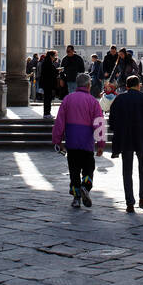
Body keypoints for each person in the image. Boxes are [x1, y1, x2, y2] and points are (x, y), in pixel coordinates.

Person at [52, 74, 105, 208]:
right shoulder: (93, 101)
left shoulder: (68, 99)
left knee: (74, 170)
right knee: (88, 168)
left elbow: (59, 121)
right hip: (87, 141)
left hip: (72, 140)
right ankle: (85, 187)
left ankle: (76, 198)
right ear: (88, 85)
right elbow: (99, 123)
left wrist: (57, 140)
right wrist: (101, 144)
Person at [109, 74, 143, 211]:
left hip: (125, 139)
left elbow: (112, 121)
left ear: (126, 86)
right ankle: (142, 198)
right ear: (139, 85)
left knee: (127, 170)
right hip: (142, 138)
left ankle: (129, 202)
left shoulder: (120, 98)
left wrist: (117, 131)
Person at [38, 50, 60, 118]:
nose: (55, 57)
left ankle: (47, 113)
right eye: (54, 56)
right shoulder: (48, 62)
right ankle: (47, 113)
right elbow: (51, 72)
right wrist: (58, 71)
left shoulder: (46, 61)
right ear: (51, 56)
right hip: (48, 83)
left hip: (46, 83)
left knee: (47, 98)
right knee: (48, 98)